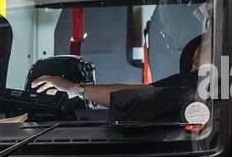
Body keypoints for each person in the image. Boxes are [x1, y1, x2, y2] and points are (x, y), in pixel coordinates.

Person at [31, 33, 209, 121]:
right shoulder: (190, 85)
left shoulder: (204, 86)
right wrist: (74, 89)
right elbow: (146, 92)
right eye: (193, 64)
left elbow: (138, 98)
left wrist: (75, 89)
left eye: (196, 64)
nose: (193, 68)